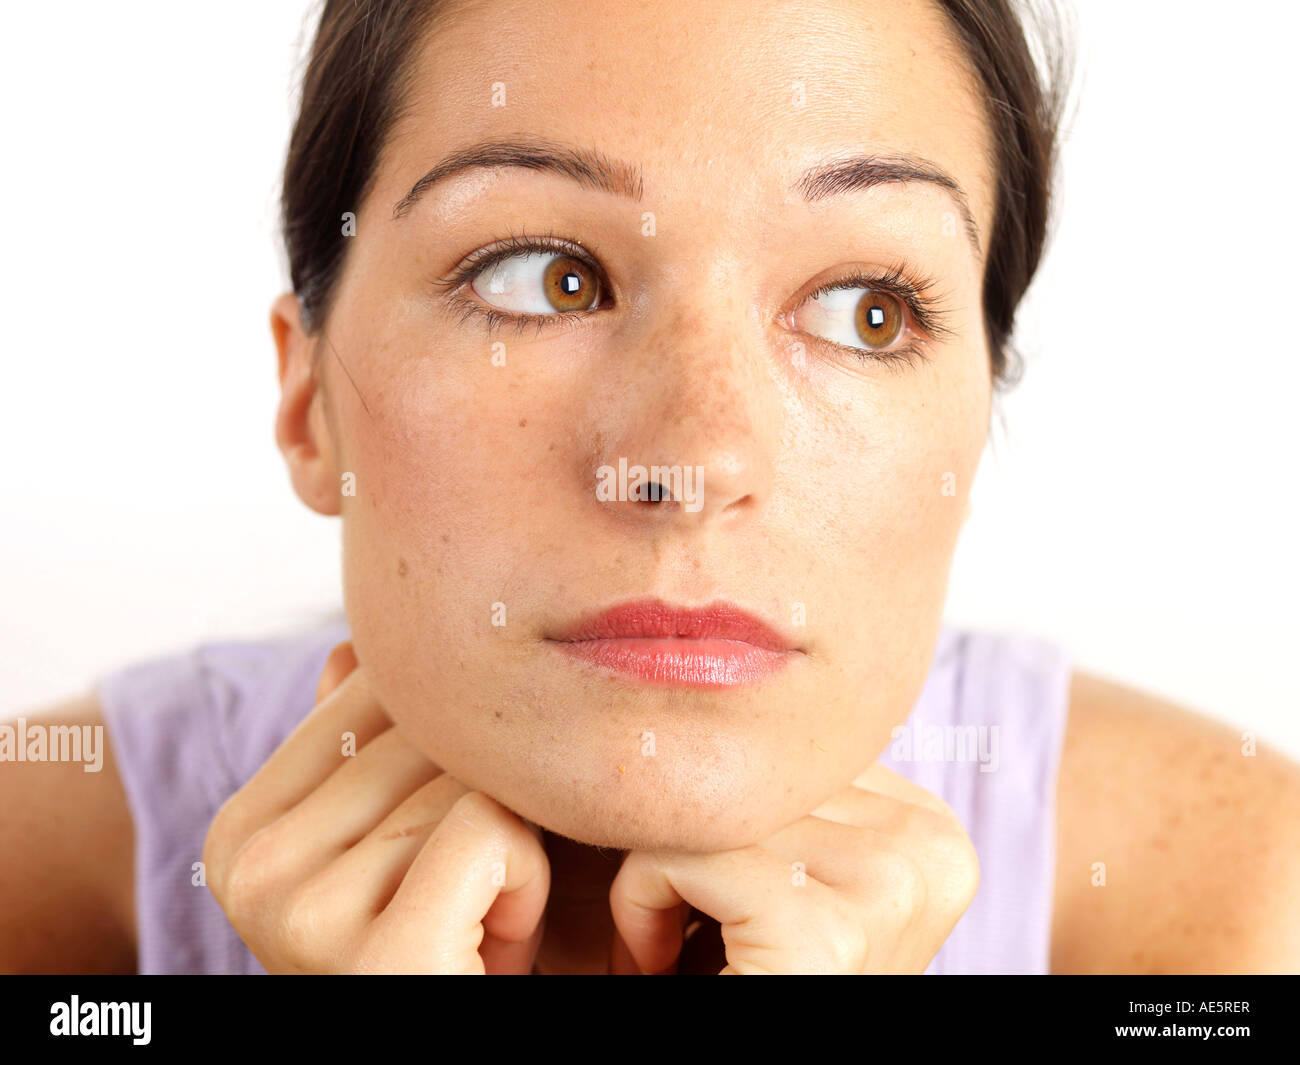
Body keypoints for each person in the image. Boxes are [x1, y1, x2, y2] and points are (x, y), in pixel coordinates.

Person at [4, 0, 1298, 975]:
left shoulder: (1231, 895)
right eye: (542, 276)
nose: (692, 463)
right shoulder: (40, 876)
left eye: (866, 307)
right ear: (309, 401)